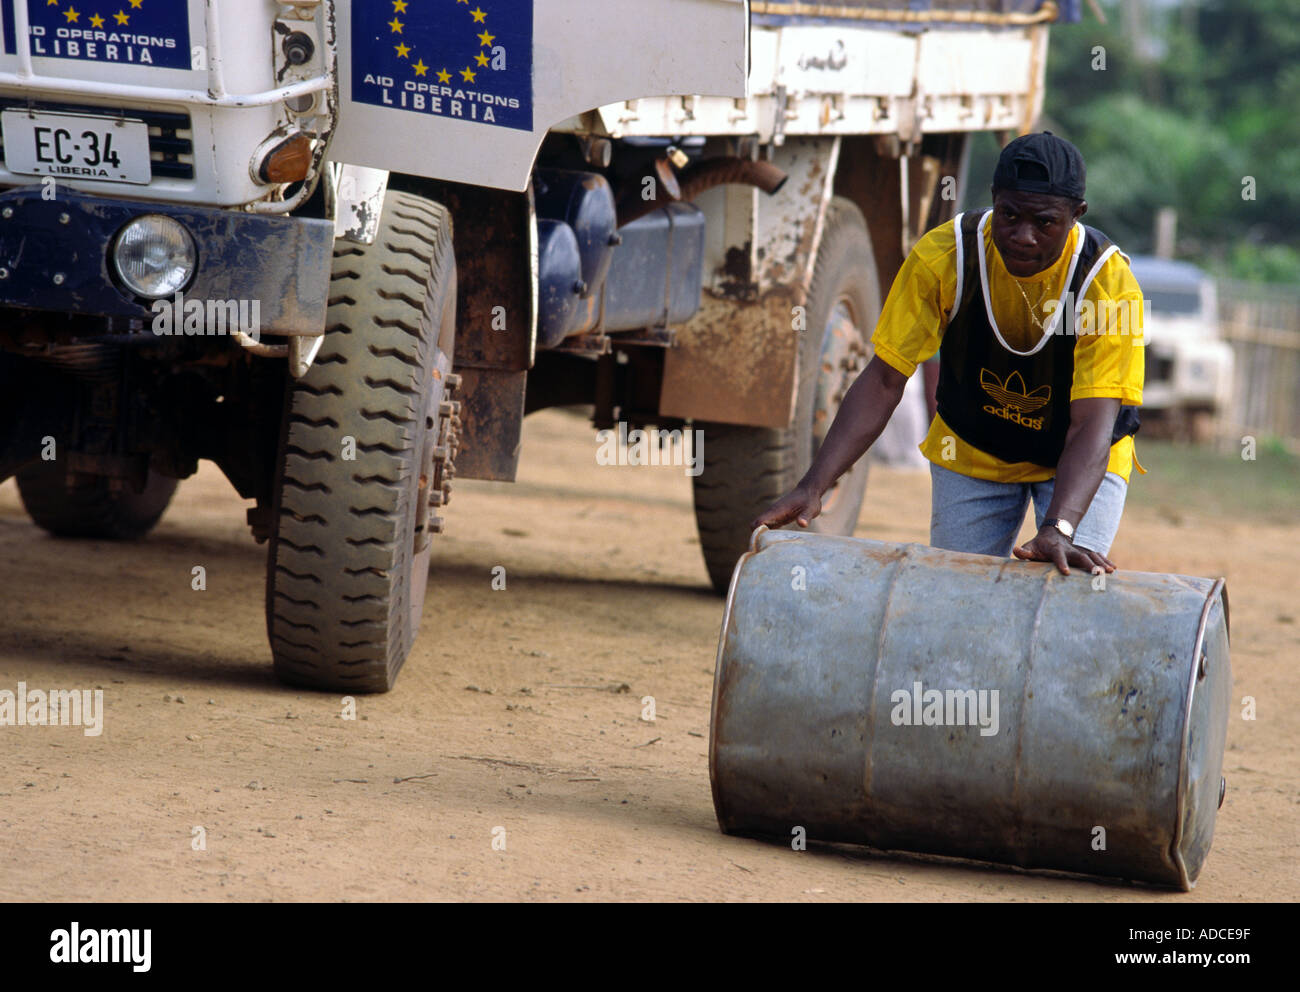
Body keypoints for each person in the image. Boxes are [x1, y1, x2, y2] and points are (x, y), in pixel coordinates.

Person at [753, 132, 1144, 576]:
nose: (1023, 236)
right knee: (958, 594)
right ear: (994, 199)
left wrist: (1061, 526)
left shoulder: (1106, 282)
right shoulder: (947, 256)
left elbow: (1094, 420)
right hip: (976, 444)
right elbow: (884, 379)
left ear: (1076, 215)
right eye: (1009, 215)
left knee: (1065, 591)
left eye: (1044, 222)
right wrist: (814, 485)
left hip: (1077, 454)